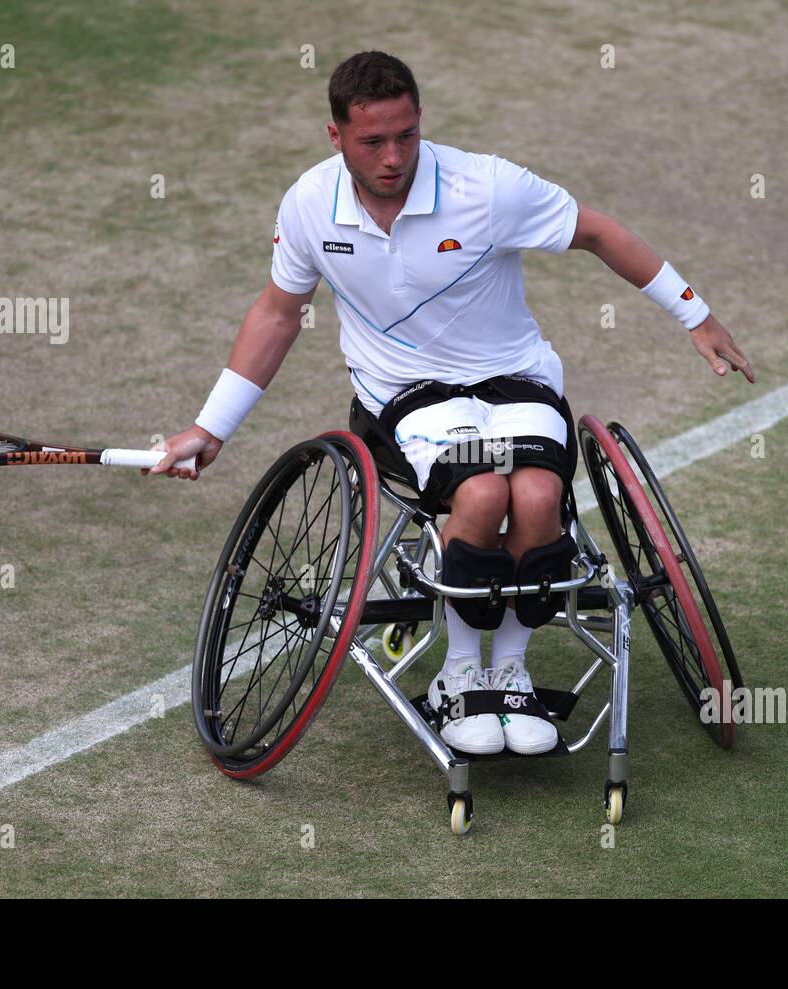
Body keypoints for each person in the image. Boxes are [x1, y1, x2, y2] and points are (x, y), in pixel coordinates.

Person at [150, 51, 754, 756]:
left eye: (406, 135)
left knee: (535, 495)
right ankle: (460, 675)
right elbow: (279, 313)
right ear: (335, 135)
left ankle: (510, 673)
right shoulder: (310, 206)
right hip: (407, 395)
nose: (393, 155)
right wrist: (211, 426)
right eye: (372, 140)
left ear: (420, 122)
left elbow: (596, 231)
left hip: (515, 377)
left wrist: (697, 315)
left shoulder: (484, 186)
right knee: (480, 493)